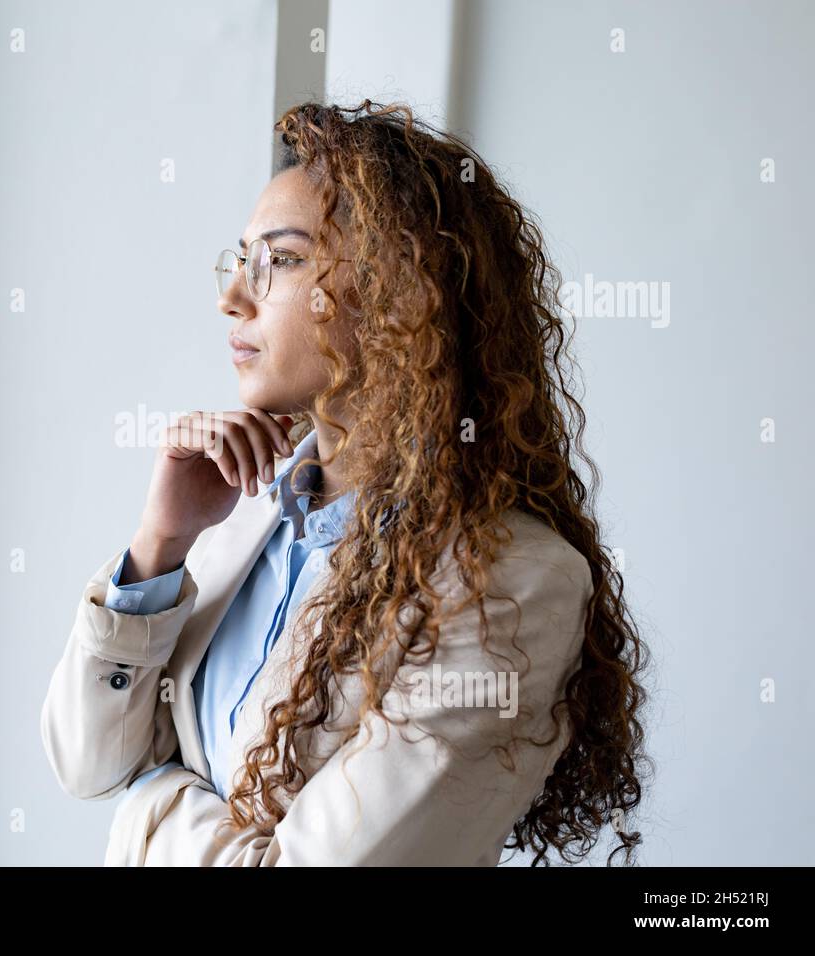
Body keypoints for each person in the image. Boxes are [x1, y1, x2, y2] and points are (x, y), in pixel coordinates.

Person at [40, 100, 649, 866]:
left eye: (283, 260)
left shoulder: (513, 586)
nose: (233, 296)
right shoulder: (238, 513)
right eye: (239, 259)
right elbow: (87, 762)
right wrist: (159, 547)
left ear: (405, 295)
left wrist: (148, 802)